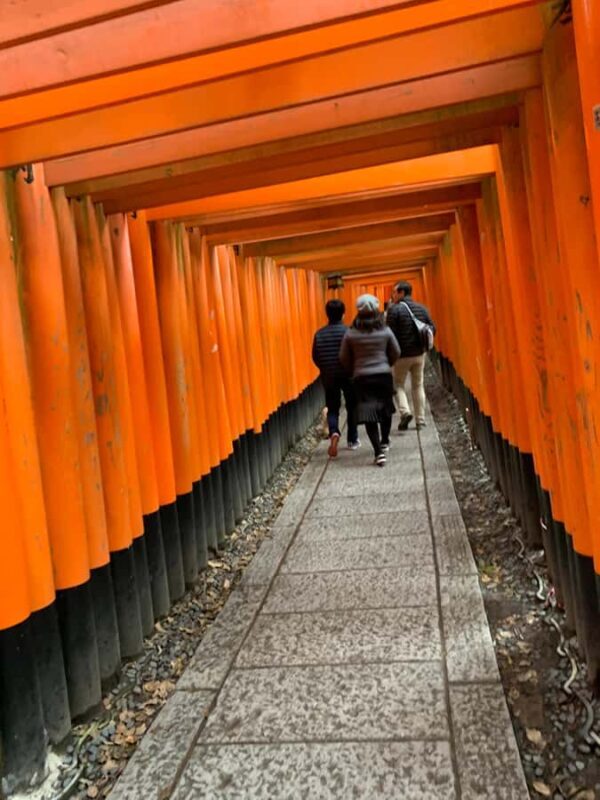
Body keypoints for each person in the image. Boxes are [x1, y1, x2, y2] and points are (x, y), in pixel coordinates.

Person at [339, 294, 400, 466]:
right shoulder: (385, 330)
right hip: (383, 375)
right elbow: (396, 351)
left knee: (369, 413)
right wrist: (387, 363)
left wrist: (353, 370)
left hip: (362, 377)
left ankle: (378, 452)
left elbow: (343, 357)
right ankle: (385, 440)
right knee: (385, 408)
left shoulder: (351, 334)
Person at [312, 299, 360, 457]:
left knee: (332, 407)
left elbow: (316, 356)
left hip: (329, 375)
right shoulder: (350, 331)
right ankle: (352, 439)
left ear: (327, 314)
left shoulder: (319, 334)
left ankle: (334, 431)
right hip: (348, 374)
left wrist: (325, 368)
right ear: (343, 313)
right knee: (352, 406)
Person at [386, 280, 436, 431]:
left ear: (401, 293)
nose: (393, 296)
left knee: (398, 385)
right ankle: (420, 420)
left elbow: (389, 334)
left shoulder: (394, 311)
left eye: (394, 292)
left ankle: (405, 411)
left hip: (401, 355)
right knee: (418, 385)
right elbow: (432, 328)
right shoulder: (421, 308)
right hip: (419, 354)